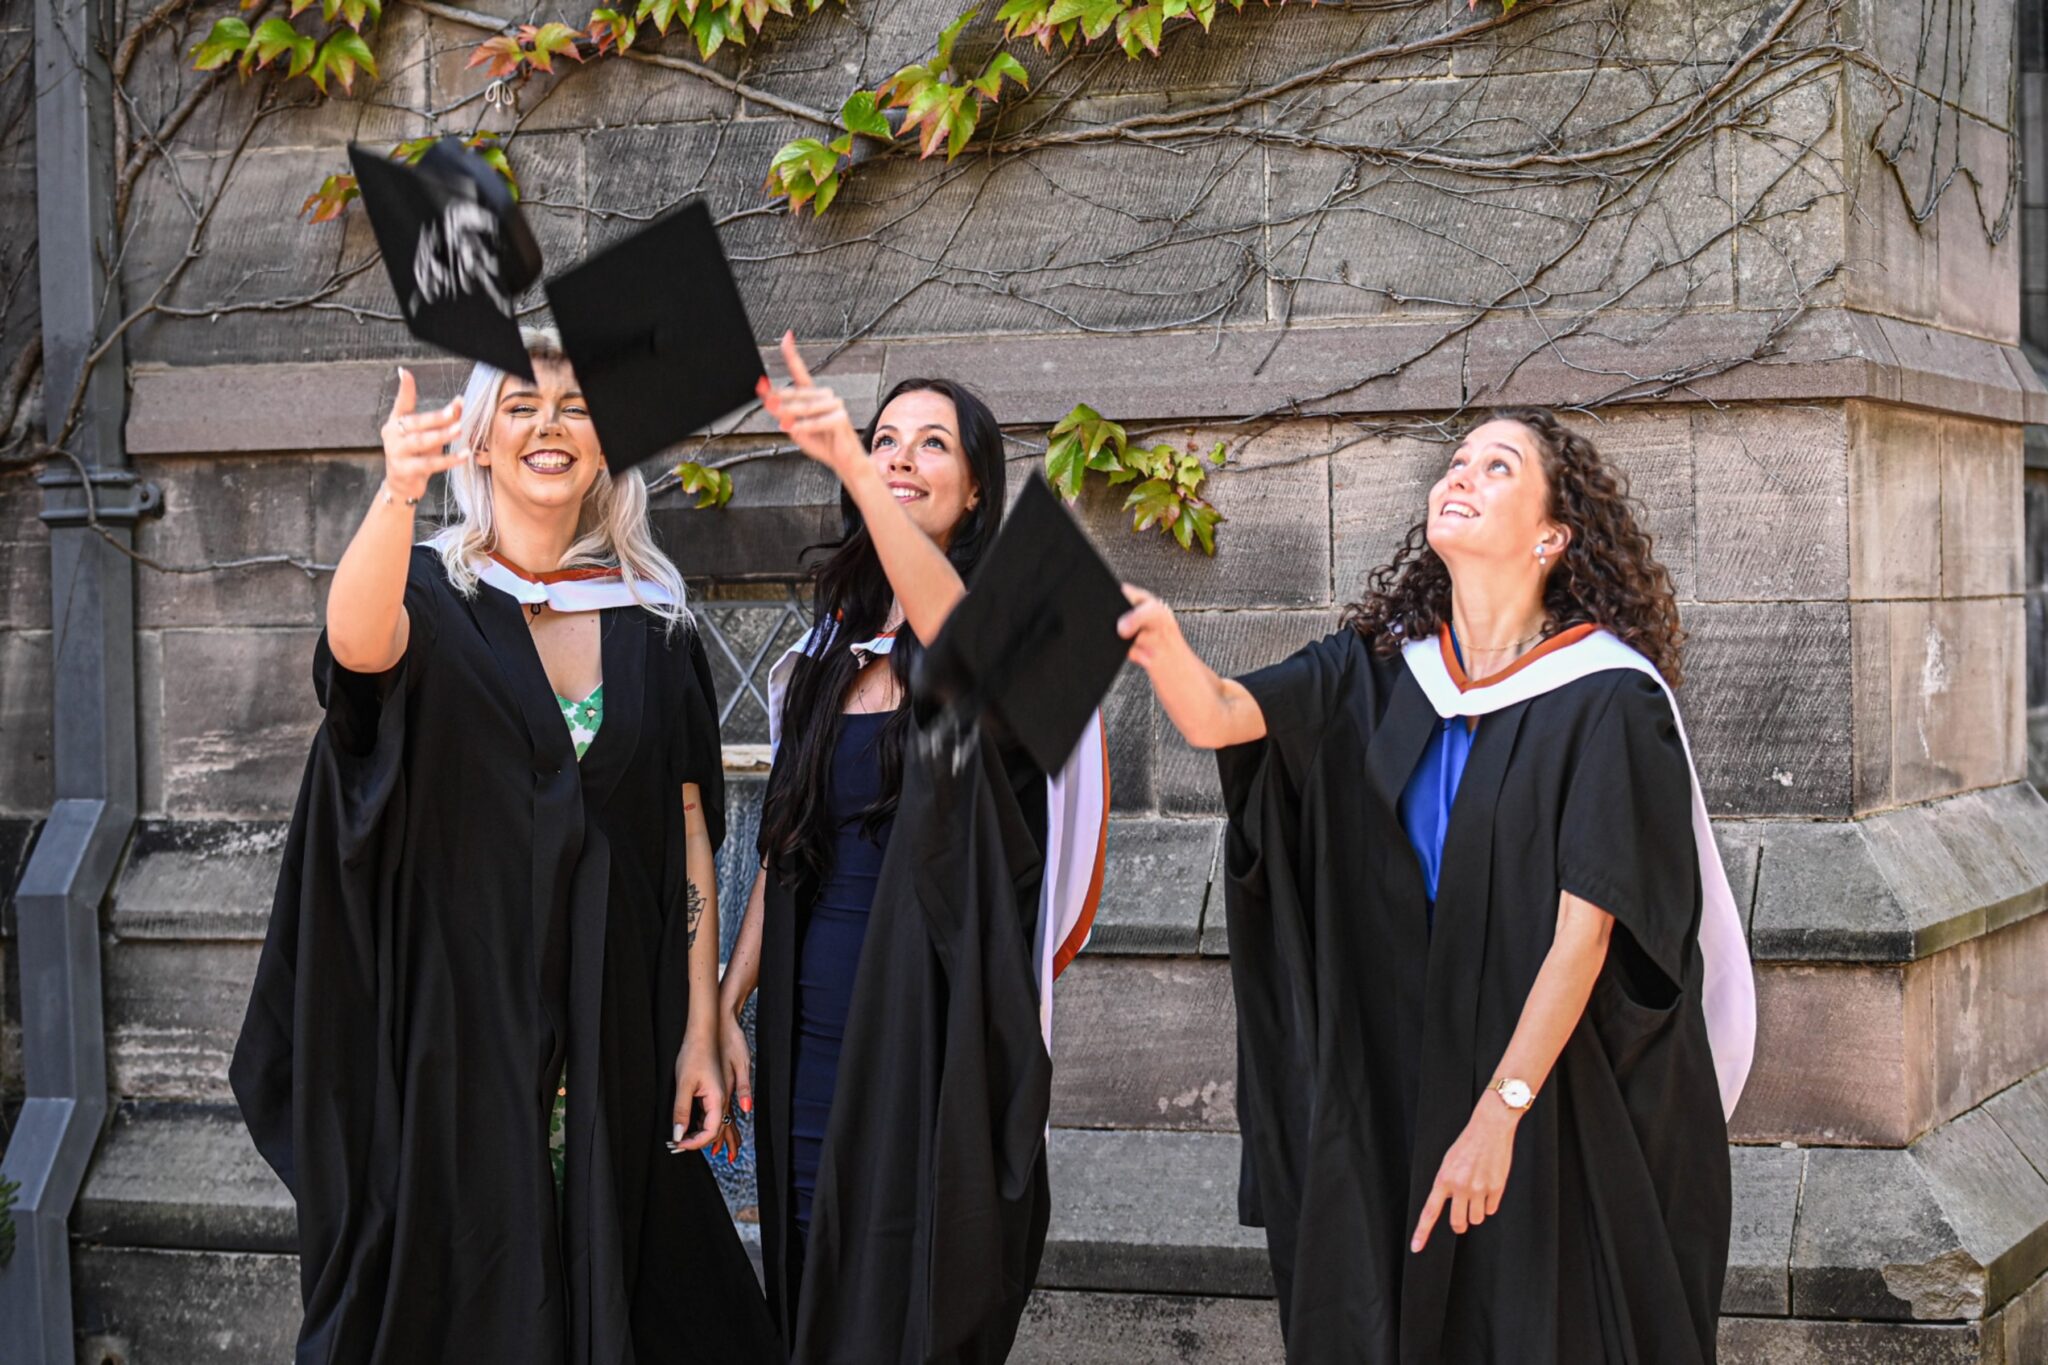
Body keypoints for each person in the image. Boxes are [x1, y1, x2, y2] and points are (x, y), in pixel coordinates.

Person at [1117, 408, 1754, 1364]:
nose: (1460, 475)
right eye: (1456, 461)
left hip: (1550, 1096)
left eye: (1498, 466)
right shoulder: (1371, 672)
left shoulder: (1608, 699)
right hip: (1394, 1079)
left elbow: (1585, 936)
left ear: (1552, 535)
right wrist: (1162, 640)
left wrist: (1499, 1114)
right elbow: (1219, 716)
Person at [231, 329, 779, 1364]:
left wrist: (703, 1026)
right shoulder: (430, 599)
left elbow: (687, 832)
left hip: (613, 1028)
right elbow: (355, 653)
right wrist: (396, 492)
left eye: (575, 408)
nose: (549, 426)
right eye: (522, 406)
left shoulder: (651, 622)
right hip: (462, 1034)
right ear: (480, 443)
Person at [712, 337, 1107, 1363]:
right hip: (811, 1030)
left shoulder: (1026, 634)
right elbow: (786, 848)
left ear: (977, 491)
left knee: (908, 1301)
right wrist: (727, 1000)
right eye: (883, 439)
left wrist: (848, 463)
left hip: (933, 1033)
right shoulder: (822, 653)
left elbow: (963, 658)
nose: (898, 456)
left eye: (932, 444)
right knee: (810, 1280)